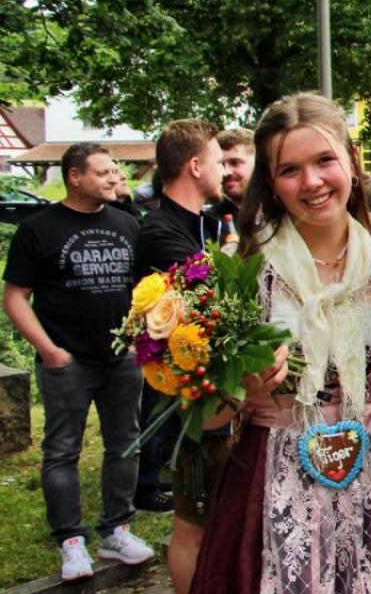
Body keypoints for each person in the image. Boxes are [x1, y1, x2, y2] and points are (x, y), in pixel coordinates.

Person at [191, 93, 371, 594]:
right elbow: (205, 419)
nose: (311, 182)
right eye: (290, 169)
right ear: (271, 182)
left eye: (324, 160)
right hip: (268, 477)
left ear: (351, 162)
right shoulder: (244, 269)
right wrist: (239, 387)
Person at [2, 143, 153, 582]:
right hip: (67, 362)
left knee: (125, 444)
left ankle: (118, 530)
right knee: (62, 452)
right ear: (74, 176)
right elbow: (15, 297)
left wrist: (137, 339)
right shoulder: (39, 229)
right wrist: (50, 352)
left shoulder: (127, 224)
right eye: (104, 172)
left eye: (114, 172)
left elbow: (148, 289)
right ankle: (71, 541)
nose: (113, 179)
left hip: (121, 359)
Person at [133, 119, 227, 593]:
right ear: (194, 166)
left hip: (215, 397)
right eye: (218, 161)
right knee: (192, 521)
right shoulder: (160, 231)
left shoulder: (204, 223)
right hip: (187, 405)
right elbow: (213, 297)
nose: (225, 170)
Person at [211, 127, 254, 224]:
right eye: (221, 164)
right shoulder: (211, 223)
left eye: (235, 163)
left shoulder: (283, 213)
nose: (226, 172)